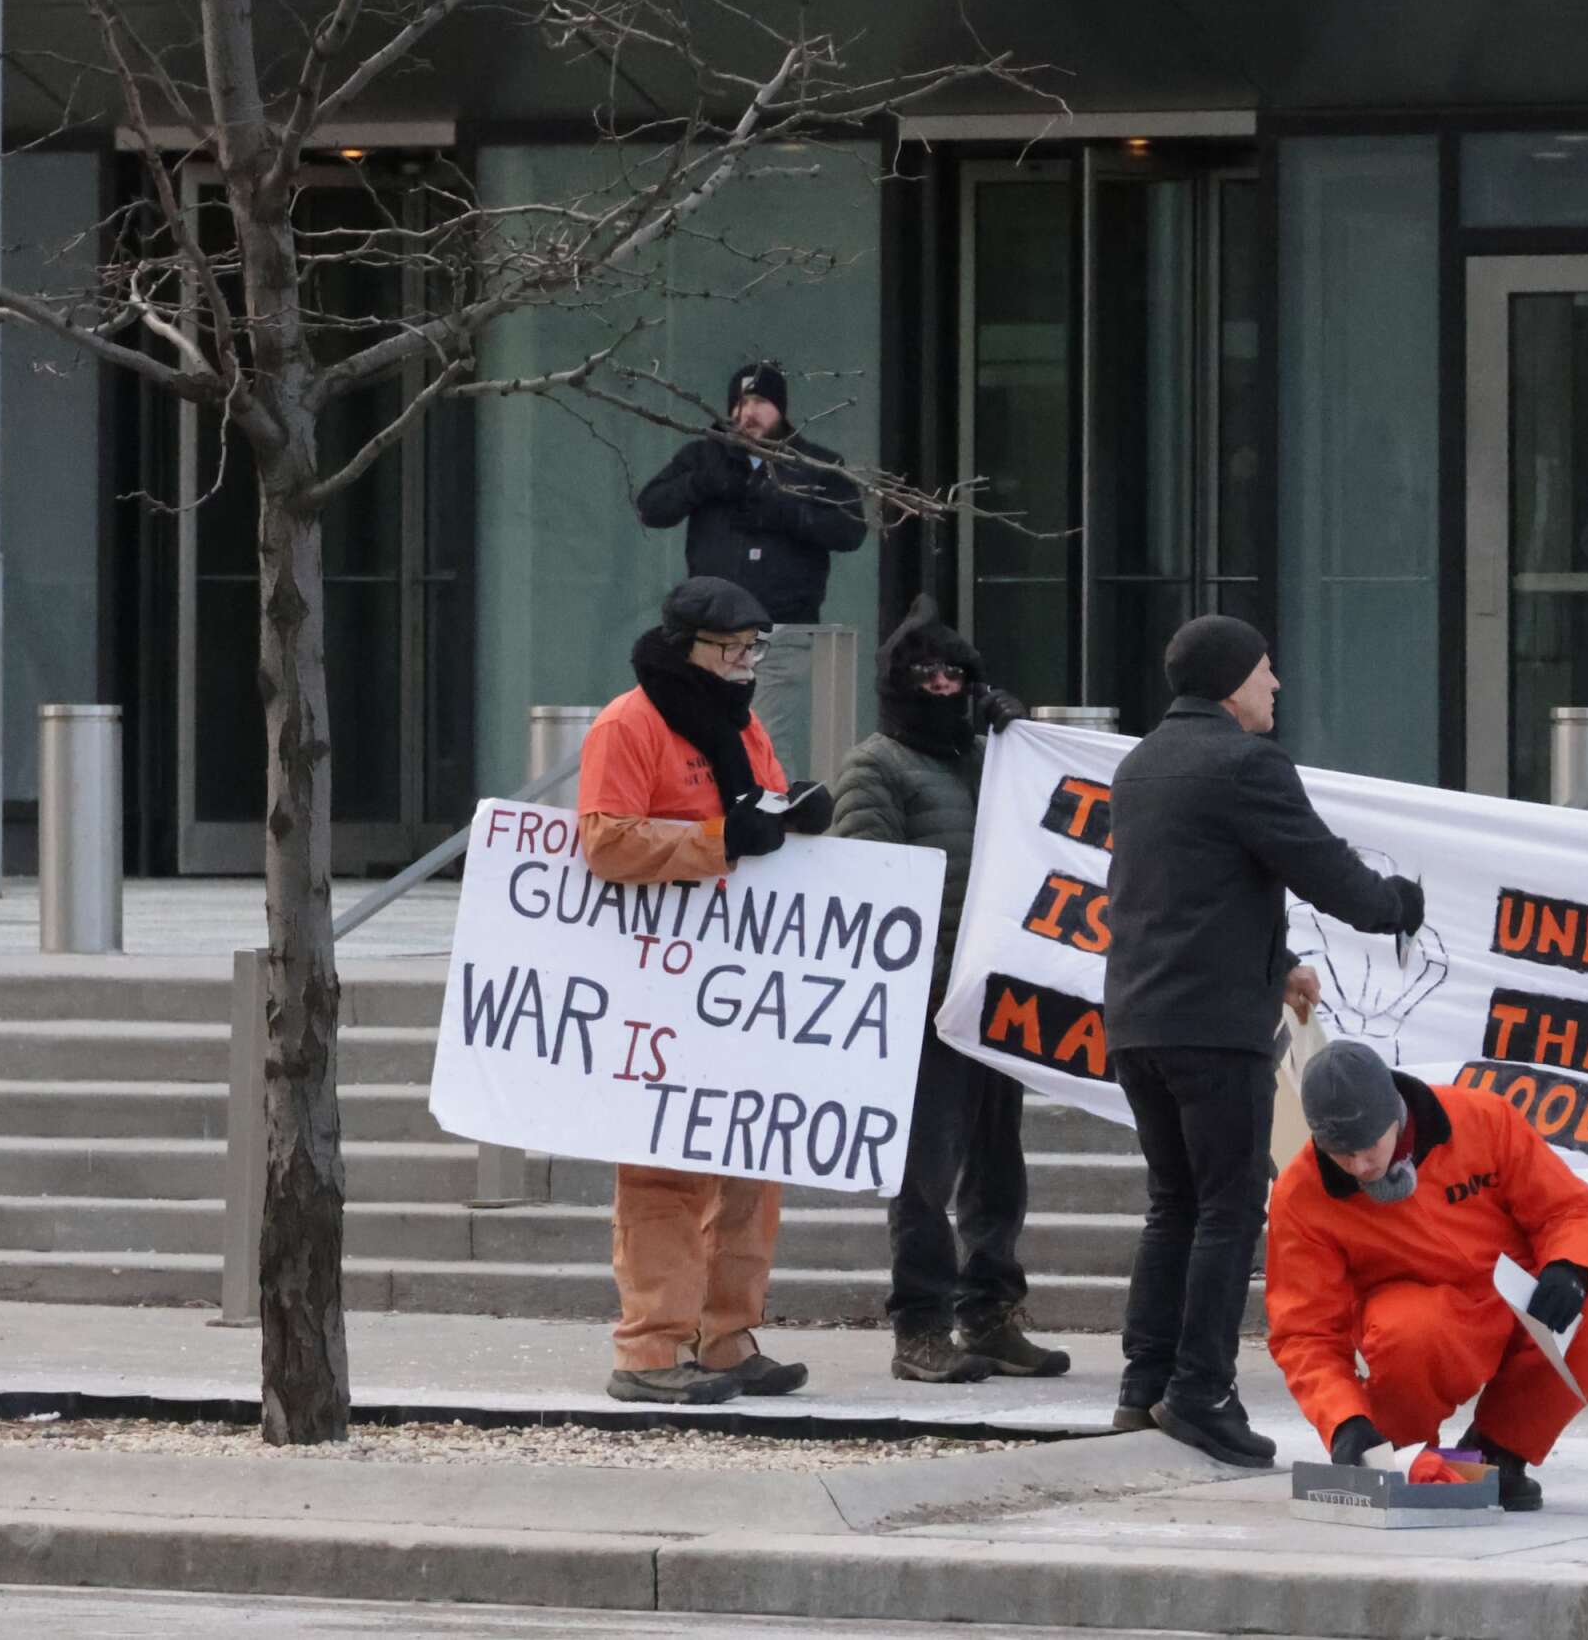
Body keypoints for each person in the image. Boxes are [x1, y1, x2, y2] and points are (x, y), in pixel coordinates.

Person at [1102, 614, 1426, 1468]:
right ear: (1231, 682)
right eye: (1265, 671)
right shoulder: (1247, 763)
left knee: (1175, 1203)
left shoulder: (1139, 764)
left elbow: (1179, 888)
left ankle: (1144, 1387)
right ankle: (1202, 1393)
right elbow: (1323, 868)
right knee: (1228, 1207)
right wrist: (1398, 903)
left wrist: (1277, 961)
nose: (1276, 685)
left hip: (1139, 1017)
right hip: (1213, 1029)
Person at [576, 575, 835, 1405]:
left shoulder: (741, 720)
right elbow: (605, 842)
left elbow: (751, 810)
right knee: (662, 1177)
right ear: (684, 644)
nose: (742, 662)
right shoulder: (629, 723)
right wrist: (723, 838)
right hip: (658, 982)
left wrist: (790, 814)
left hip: (734, 981)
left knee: (750, 1171)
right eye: (728, 648)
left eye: (752, 648)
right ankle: (651, 1352)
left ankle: (725, 1340)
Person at [1264, 1039, 1588, 1513]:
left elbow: (1569, 1209)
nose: (1361, 1167)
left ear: (1397, 1114)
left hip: (1517, 1301)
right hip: (1424, 1326)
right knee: (1410, 1329)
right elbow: (1304, 1332)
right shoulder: (1301, 1195)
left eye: (1369, 1148)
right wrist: (1346, 1424)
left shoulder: (1482, 1118)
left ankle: (1497, 1454)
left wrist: (1568, 1268)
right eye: (1342, 1155)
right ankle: (1404, 1458)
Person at [833, 598, 1056, 1387]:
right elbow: (867, 890)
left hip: (994, 998)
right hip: (926, 1005)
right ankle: (920, 1326)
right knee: (924, 1174)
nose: (944, 685)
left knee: (998, 1171)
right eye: (928, 673)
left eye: (957, 674)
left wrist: (1018, 739)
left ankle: (990, 1313)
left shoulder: (981, 759)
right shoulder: (876, 767)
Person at [632, 361, 867, 753]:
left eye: (760, 401)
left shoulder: (813, 465)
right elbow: (651, 508)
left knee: (763, 739)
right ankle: (722, 813)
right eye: (740, 402)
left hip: (778, 631)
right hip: (706, 632)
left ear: (781, 408)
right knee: (699, 740)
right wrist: (700, 483)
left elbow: (850, 530)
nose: (748, 413)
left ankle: (767, 813)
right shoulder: (705, 456)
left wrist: (784, 510)